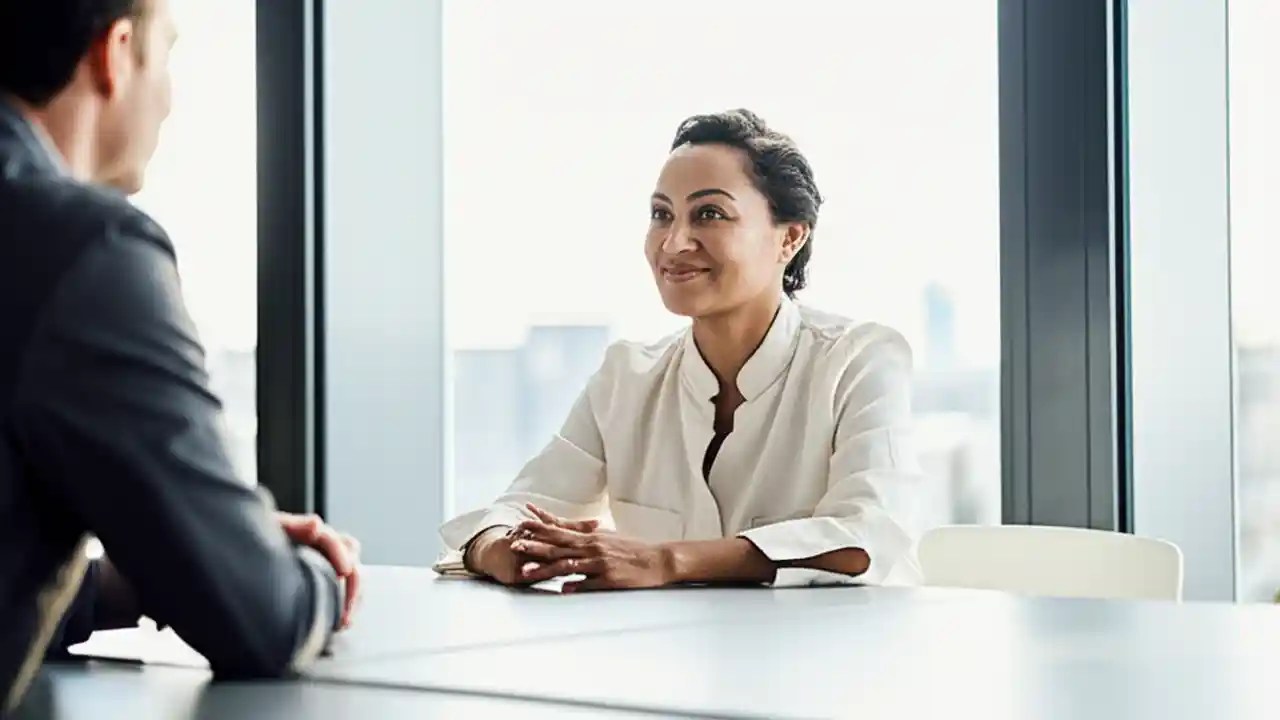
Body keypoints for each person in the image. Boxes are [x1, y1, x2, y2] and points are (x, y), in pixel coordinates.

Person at [0, 0, 360, 711]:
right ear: (114, 53)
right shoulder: (81, 249)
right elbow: (262, 617)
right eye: (166, 54)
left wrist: (167, 560)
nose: (168, 100)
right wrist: (299, 570)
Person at [441, 109, 922, 592]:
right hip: (670, 642)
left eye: (709, 214)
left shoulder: (859, 360)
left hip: (841, 639)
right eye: (661, 215)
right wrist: (503, 551)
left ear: (790, 238)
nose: (673, 243)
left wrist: (665, 561)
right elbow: (518, 510)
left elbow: (869, 535)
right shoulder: (626, 377)